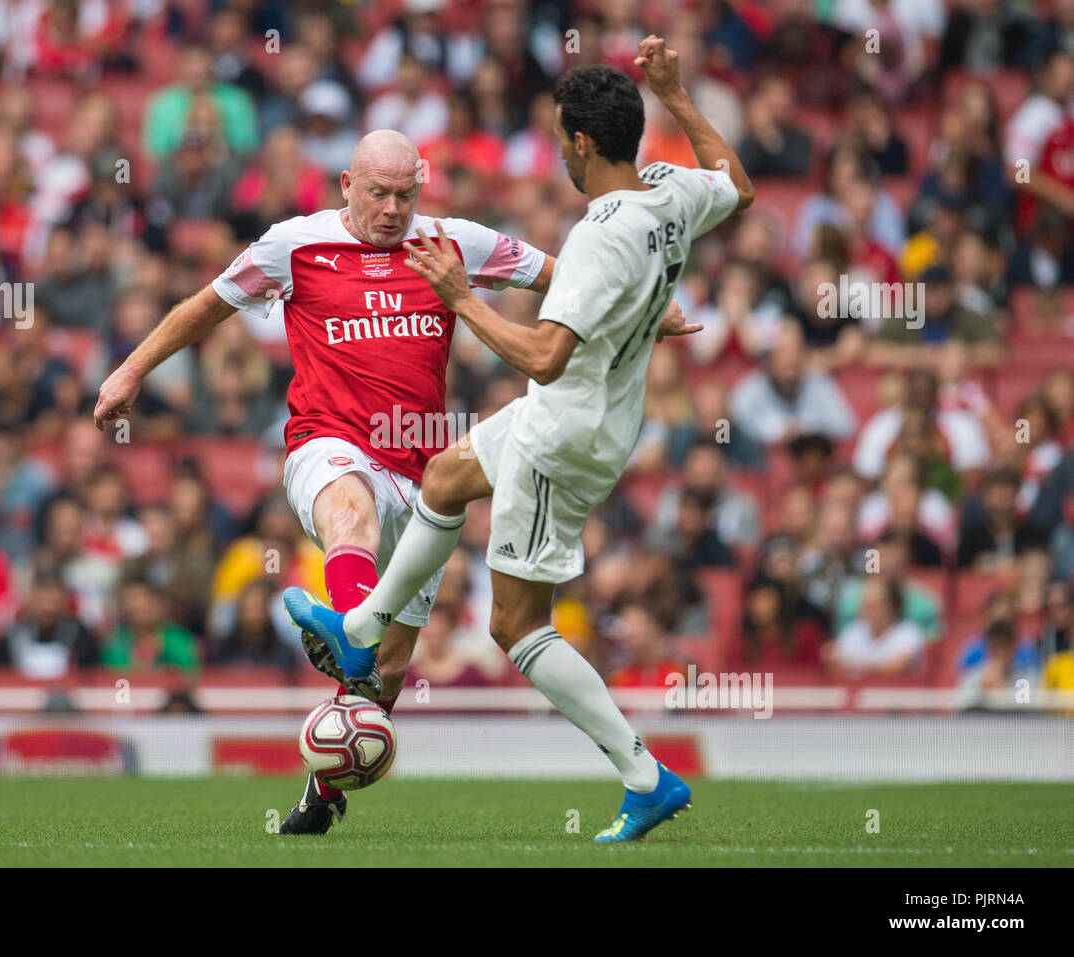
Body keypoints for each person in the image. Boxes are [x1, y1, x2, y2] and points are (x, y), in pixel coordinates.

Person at [284, 38, 753, 843]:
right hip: (581, 410)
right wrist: (677, 93)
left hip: (566, 431)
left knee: (516, 626)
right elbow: (737, 187)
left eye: (560, 139)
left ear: (578, 143)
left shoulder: (598, 237)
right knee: (445, 474)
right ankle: (361, 633)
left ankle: (646, 774)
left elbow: (542, 354)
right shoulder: (671, 189)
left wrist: (461, 299)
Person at [93, 129, 556, 834]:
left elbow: (563, 278)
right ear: (346, 184)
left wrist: (641, 306)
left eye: (406, 194)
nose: (393, 208)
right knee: (351, 514)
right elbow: (205, 306)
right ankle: (351, 635)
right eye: (378, 192)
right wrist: (130, 371)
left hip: (423, 475)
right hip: (328, 443)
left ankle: (322, 792)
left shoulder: (452, 244)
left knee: (390, 676)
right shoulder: (294, 245)